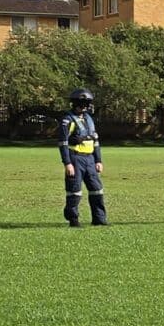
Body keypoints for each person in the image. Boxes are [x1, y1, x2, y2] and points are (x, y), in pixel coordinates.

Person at [59, 87, 108, 226]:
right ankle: (73, 220)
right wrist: (67, 163)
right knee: (74, 191)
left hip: (90, 159)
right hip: (75, 158)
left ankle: (99, 219)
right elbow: (63, 143)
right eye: (84, 104)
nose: (86, 107)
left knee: (96, 189)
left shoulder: (89, 119)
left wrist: (98, 160)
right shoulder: (67, 120)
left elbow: (95, 141)